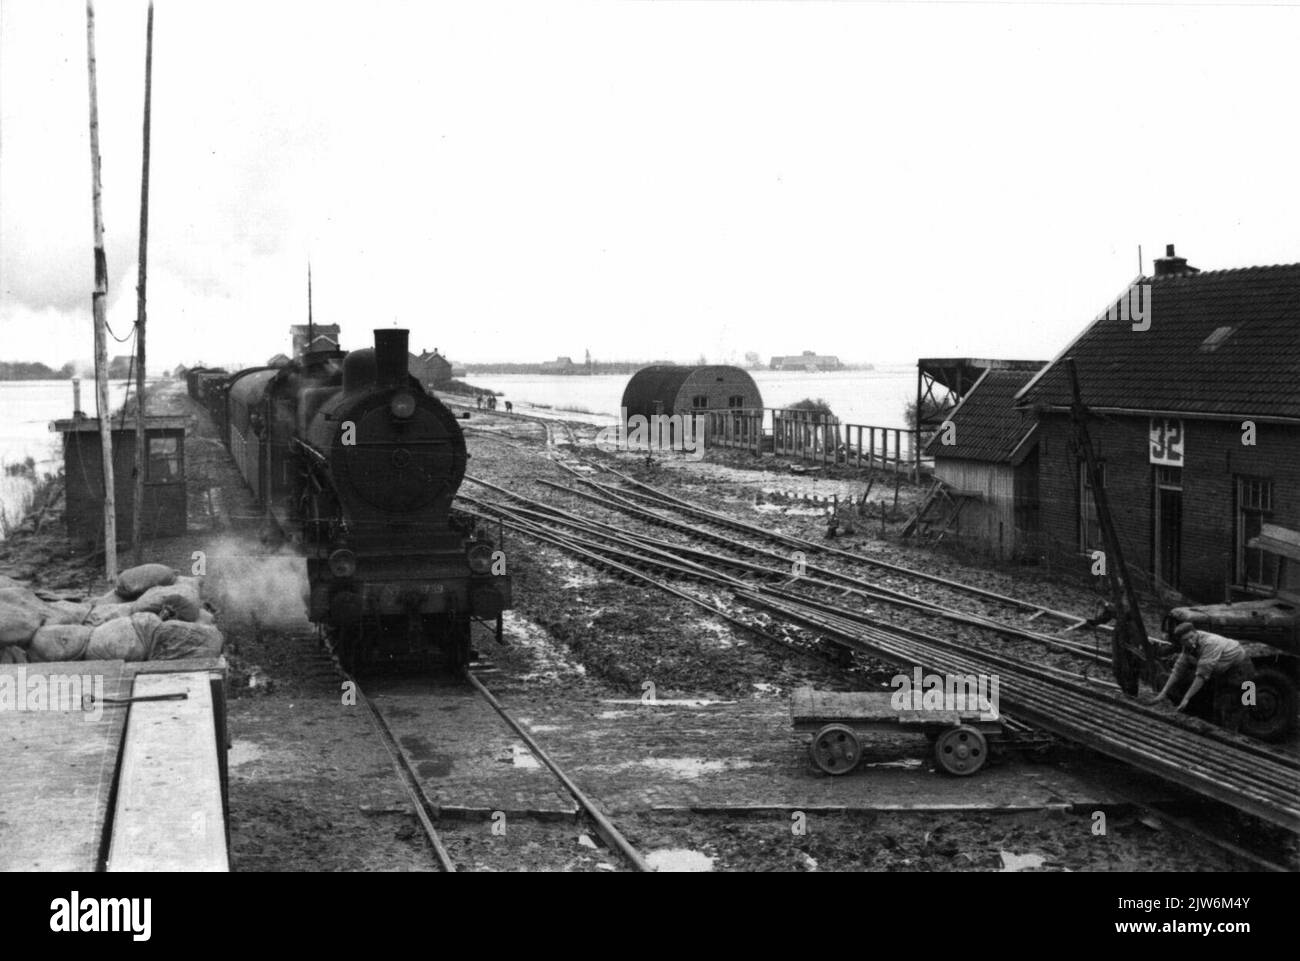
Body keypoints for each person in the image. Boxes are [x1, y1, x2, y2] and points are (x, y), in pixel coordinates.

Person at [1145, 622, 1256, 731]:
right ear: (1181, 642)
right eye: (1185, 640)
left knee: (1230, 704)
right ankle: (1220, 731)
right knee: (1218, 704)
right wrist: (1163, 693)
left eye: (1191, 637)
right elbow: (1178, 669)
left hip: (1240, 668)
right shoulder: (1188, 646)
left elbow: (1201, 675)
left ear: (1196, 633)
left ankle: (1233, 736)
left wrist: (1186, 698)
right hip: (1222, 670)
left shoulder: (1210, 643)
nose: (1189, 641)